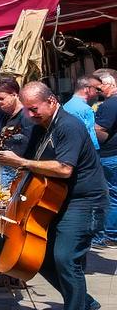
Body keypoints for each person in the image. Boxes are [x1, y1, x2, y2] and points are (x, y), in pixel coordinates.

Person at [0, 82, 108, 310]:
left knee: (66, 259)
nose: (29, 114)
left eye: (33, 109)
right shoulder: (40, 125)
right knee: (40, 258)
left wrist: (22, 162)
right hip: (55, 198)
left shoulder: (68, 126)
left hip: (84, 199)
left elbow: (65, 168)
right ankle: (84, 302)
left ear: (51, 101)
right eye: (26, 109)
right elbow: (31, 163)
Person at [89, 68, 117, 248]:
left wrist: (90, 128)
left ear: (111, 84)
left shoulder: (109, 105)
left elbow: (101, 132)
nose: (97, 92)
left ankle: (110, 235)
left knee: (110, 195)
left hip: (109, 155)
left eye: (100, 88)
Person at [0, 77, 32, 193]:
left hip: (18, 171)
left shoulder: (26, 117)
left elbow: (30, 144)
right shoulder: (6, 116)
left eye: (1, 98)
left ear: (14, 95)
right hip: (6, 170)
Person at [63, 75, 100, 150]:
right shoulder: (86, 109)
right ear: (87, 89)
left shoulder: (65, 106)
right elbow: (91, 133)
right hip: (87, 151)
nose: (99, 92)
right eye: (97, 89)